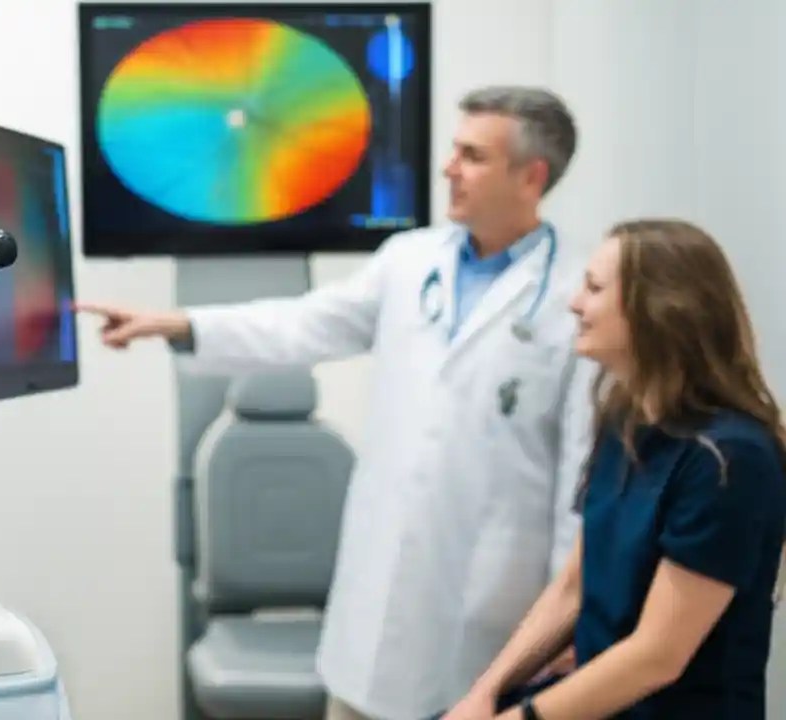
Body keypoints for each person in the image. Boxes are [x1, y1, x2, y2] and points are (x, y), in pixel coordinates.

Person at [78, 86, 595, 719]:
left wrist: (565, 621)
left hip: (490, 610)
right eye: (454, 150)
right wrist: (180, 324)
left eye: (472, 155)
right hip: (375, 614)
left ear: (531, 176)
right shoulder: (409, 260)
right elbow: (303, 324)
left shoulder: (577, 297)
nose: (448, 167)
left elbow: (581, 478)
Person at [442, 219, 786, 719]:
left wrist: (520, 718)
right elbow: (574, 587)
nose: (574, 303)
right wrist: (485, 694)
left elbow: (656, 657)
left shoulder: (728, 460)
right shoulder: (626, 421)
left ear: (660, 309)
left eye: (595, 288)